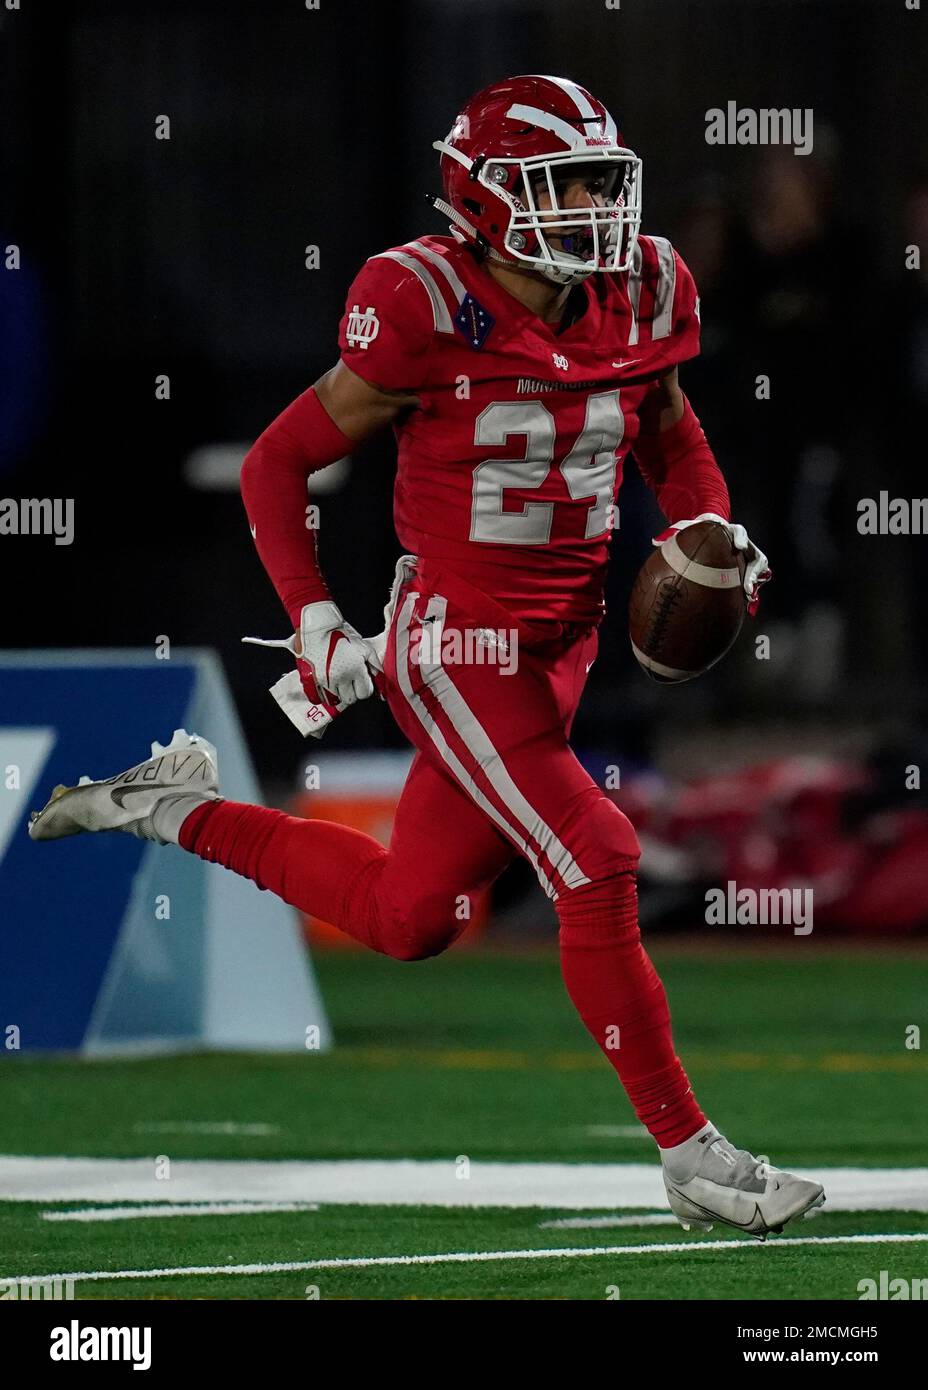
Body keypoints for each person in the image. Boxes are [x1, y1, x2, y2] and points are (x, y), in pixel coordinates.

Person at [29, 75, 822, 1238]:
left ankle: (172, 808)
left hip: (560, 645)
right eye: (565, 185)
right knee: (598, 852)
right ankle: (691, 1153)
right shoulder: (424, 301)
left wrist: (711, 527)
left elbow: (664, 423)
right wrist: (312, 614)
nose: (594, 208)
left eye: (601, 182)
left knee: (412, 917)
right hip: (455, 639)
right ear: (485, 198)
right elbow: (275, 462)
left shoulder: (644, 288)